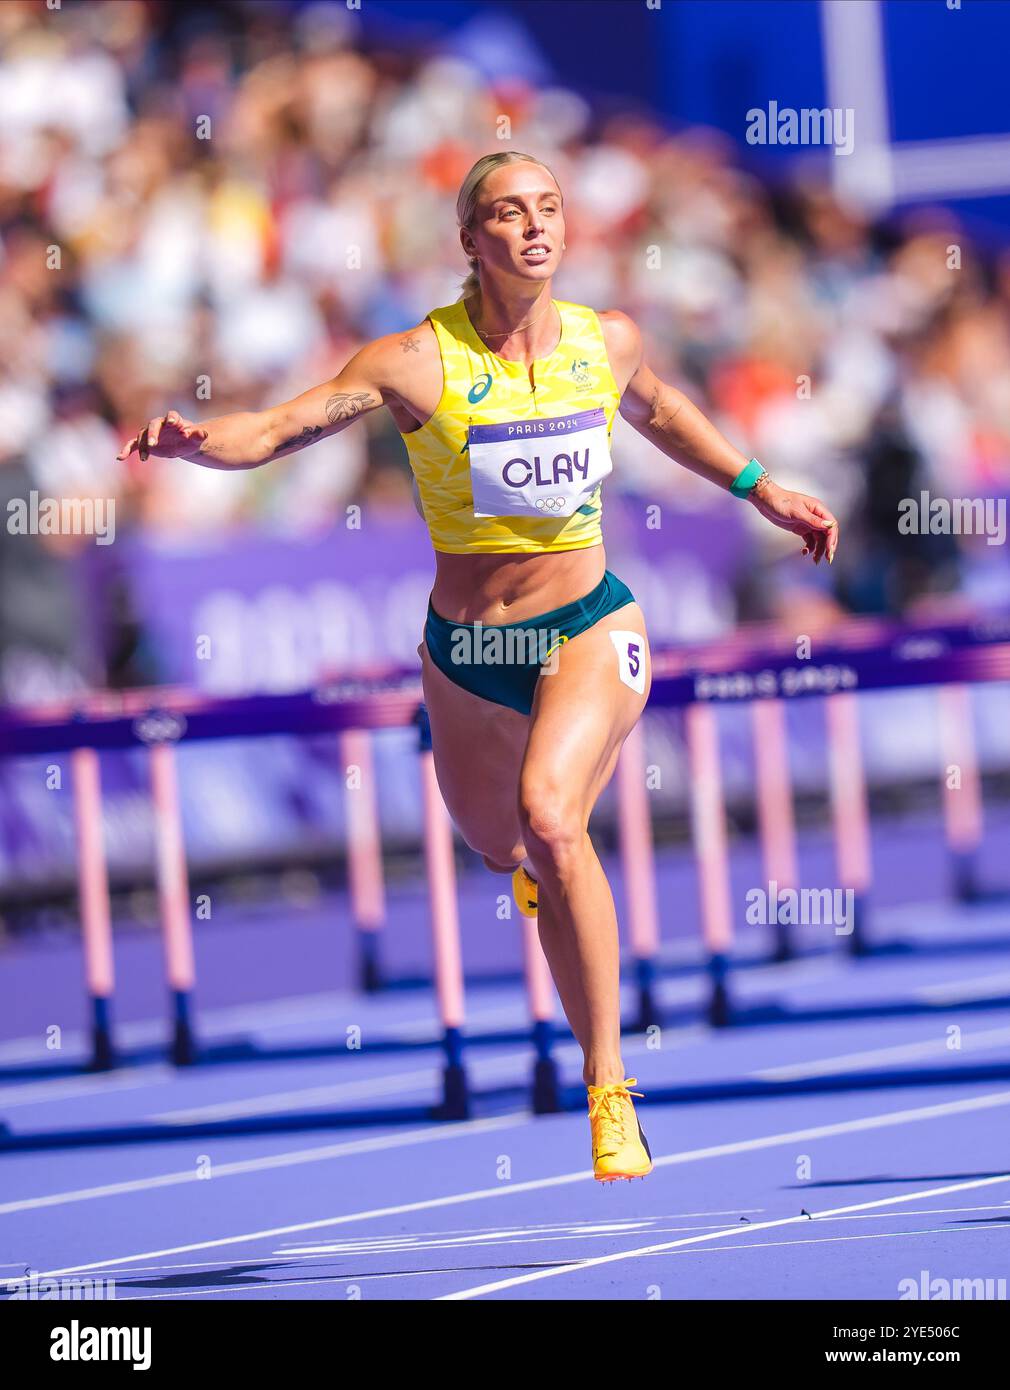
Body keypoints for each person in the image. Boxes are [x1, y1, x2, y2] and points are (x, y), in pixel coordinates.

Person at [119, 150, 838, 1182]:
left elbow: (659, 408)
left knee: (552, 815)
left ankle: (606, 1086)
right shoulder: (414, 362)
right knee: (508, 851)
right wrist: (198, 441)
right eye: (508, 213)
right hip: (467, 651)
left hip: (591, 623)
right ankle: (561, 917)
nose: (535, 228)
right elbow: (280, 426)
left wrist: (759, 485)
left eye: (548, 209)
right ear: (470, 240)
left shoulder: (605, 340)